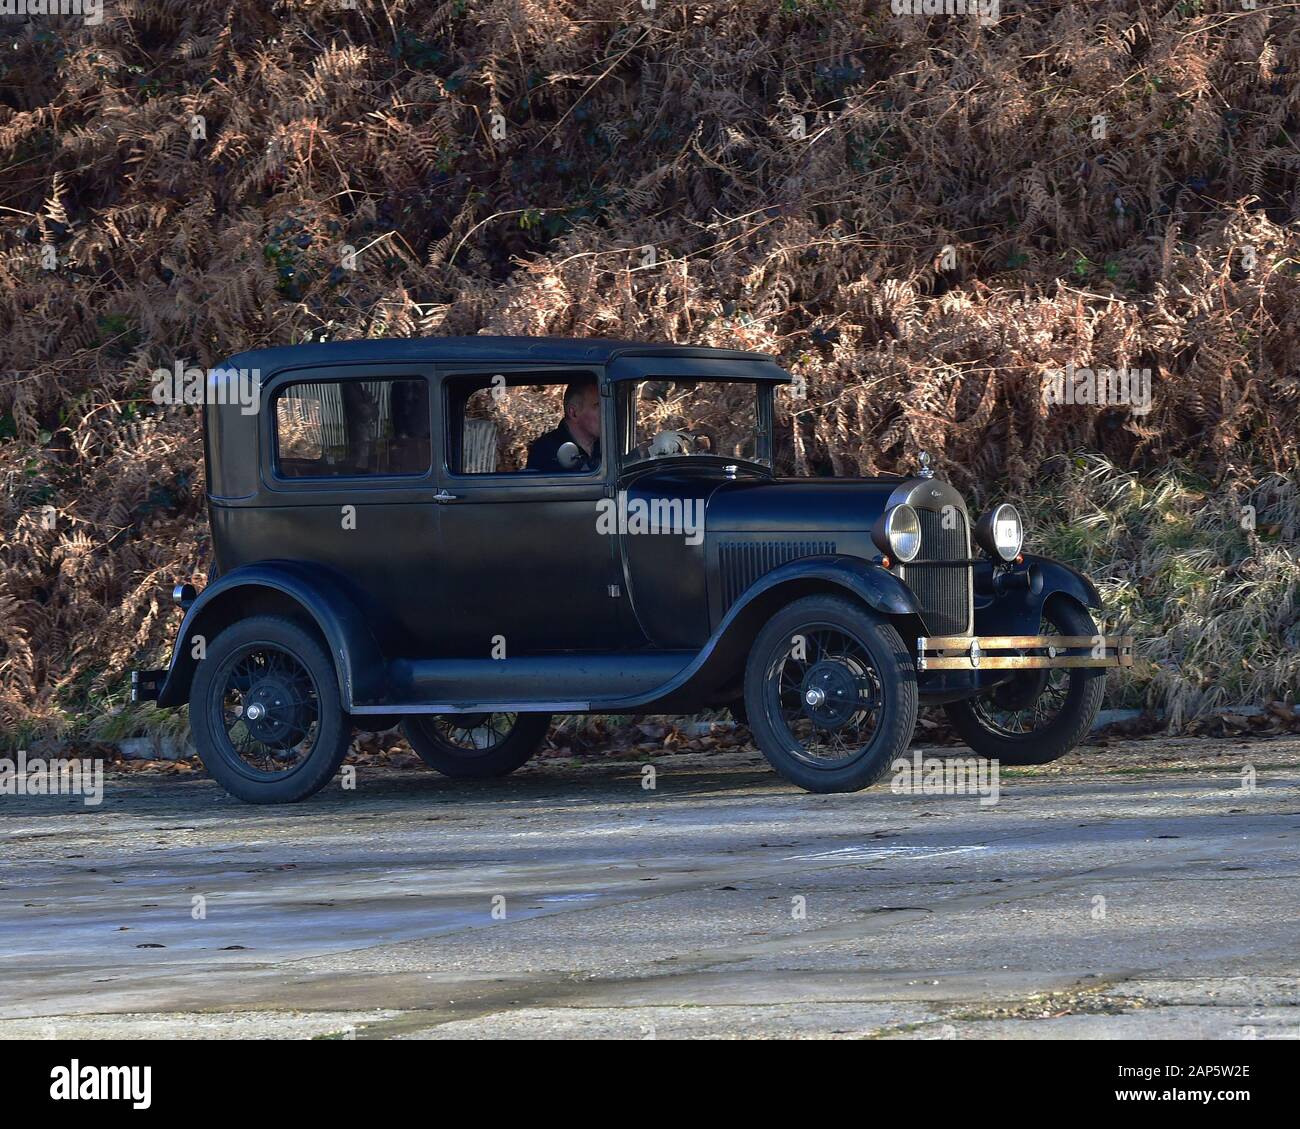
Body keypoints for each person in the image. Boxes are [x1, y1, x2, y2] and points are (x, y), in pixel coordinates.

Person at [526, 377, 601, 472]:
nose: (605, 412)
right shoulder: (545, 451)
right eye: (597, 406)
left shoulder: (608, 445)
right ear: (573, 413)